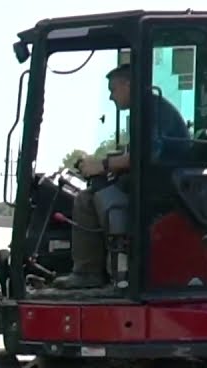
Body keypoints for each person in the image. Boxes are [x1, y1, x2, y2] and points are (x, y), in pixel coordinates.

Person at [53, 62, 191, 290]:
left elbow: (144, 156)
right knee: (98, 187)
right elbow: (137, 154)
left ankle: (91, 272)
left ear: (128, 85)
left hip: (160, 188)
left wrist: (102, 165)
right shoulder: (151, 109)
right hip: (161, 182)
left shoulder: (151, 111)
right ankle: (112, 266)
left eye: (113, 89)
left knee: (86, 199)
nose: (110, 96)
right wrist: (105, 164)